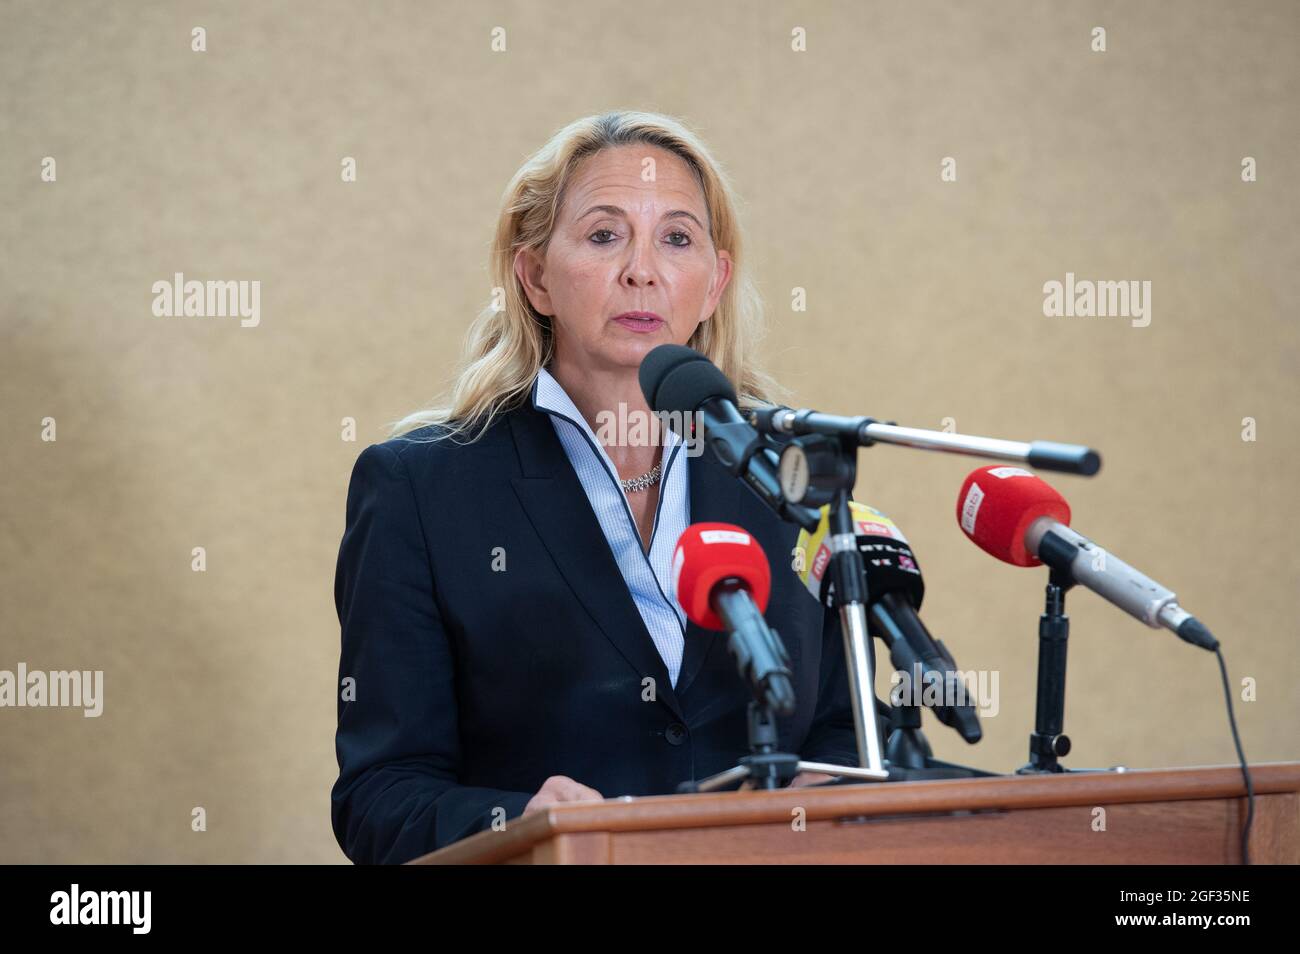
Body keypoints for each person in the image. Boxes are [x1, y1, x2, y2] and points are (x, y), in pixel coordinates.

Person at [331, 110, 883, 864]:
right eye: (603, 235)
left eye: (677, 238)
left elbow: (848, 733)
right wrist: (522, 820)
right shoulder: (420, 489)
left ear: (714, 282)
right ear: (534, 277)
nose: (642, 270)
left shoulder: (786, 473)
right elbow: (379, 798)